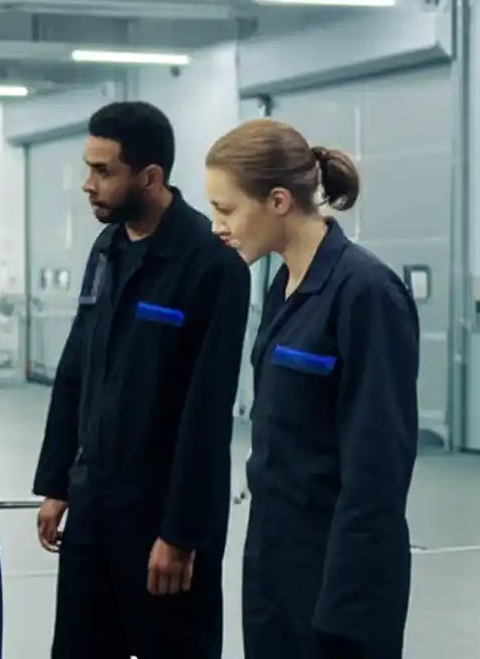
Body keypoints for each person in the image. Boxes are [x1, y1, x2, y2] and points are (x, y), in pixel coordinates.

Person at [32, 101, 251, 658]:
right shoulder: (106, 251)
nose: (88, 185)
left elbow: (206, 414)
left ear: (150, 178)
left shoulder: (211, 266)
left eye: (103, 171)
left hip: (161, 521)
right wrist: (58, 483)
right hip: (94, 507)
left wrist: (180, 534)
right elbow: (75, 370)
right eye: (89, 168)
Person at [203, 118, 419, 659]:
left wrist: (344, 609)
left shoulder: (365, 293)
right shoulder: (283, 286)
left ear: (278, 201)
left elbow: (378, 470)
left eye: (226, 210)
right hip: (275, 567)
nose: (216, 226)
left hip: (340, 582)